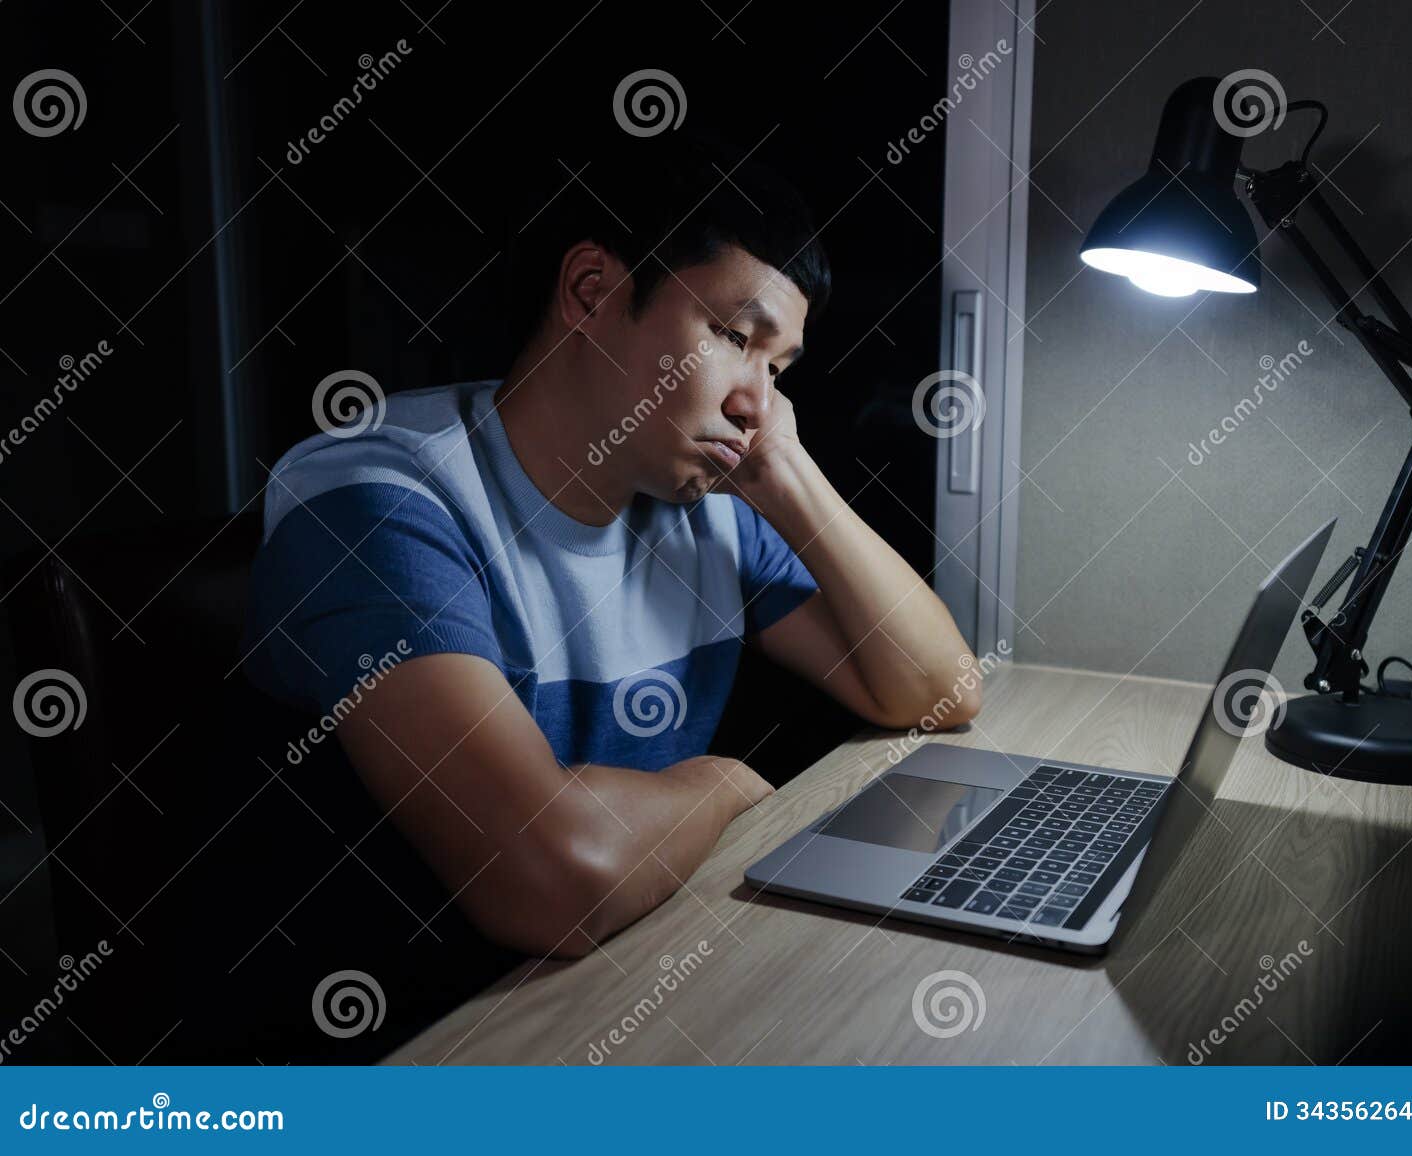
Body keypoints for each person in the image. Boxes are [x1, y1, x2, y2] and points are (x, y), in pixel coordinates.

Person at [241, 137, 980, 961]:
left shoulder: (707, 506)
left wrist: (786, 469)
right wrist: (721, 784)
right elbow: (549, 884)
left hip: (630, 964)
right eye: (734, 335)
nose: (758, 405)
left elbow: (940, 689)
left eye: (779, 371)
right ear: (590, 291)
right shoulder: (377, 503)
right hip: (431, 1017)